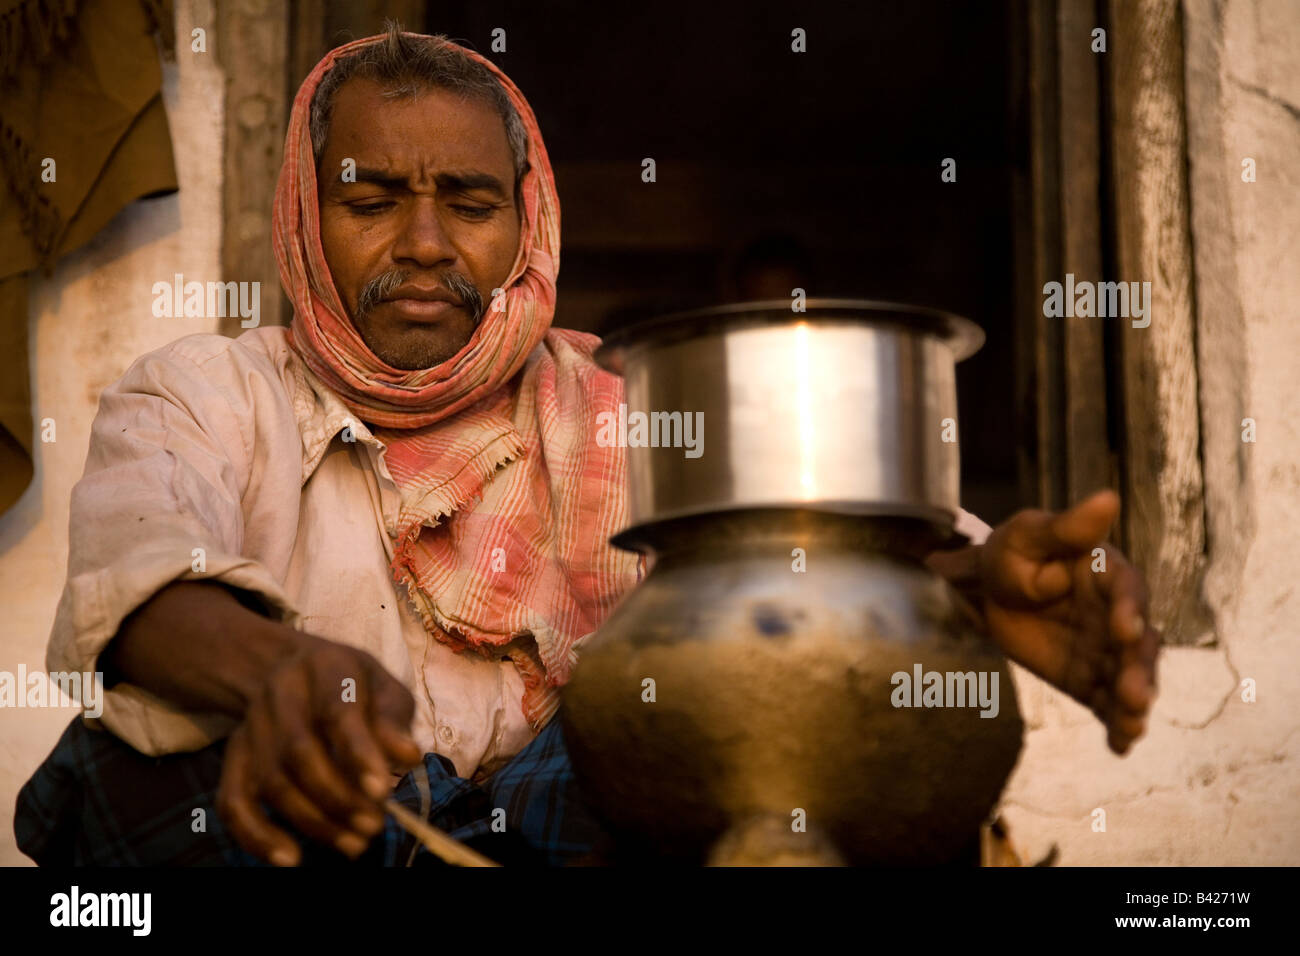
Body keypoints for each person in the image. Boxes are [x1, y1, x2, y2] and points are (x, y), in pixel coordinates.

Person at [14, 26, 1160, 867]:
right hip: (318, 828)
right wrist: (284, 673)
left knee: (740, 748)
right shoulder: (206, 389)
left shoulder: (633, 403)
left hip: (577, 836)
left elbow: (813, 542)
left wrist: (970, 583)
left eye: (466, 202)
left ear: (528, 216)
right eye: (371, 199)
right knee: (126, 773)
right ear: (308, 214)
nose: (422, 243)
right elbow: (143, 574)